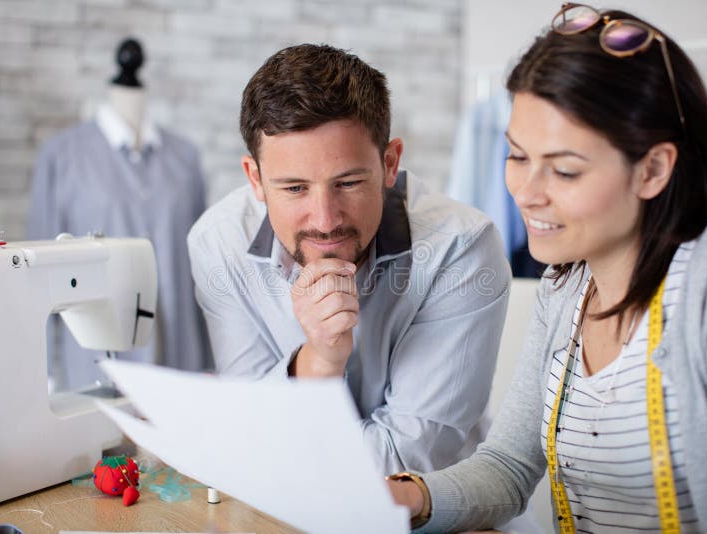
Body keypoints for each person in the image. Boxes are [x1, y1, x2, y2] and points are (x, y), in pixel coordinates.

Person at [388, 4, 707, 532]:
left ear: (653, 169)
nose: (526, 193)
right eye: (517, 156)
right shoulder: (567, 288)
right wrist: (402, 496)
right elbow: (507, 468)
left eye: (564, 170)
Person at [187, 44, 511, 475]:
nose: (325, 221)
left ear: (390, 163)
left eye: (349, 182)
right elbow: (249, 430)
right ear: (255, 179)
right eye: (294, 188)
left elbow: (406, 463)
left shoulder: (462, 250)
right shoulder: (218, 244)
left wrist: (274, 444)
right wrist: (318, 360)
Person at [28, 38, 210, 391]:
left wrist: (213, 361)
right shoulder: (62, 156)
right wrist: (45, 371)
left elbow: (202, 269)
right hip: (97, 361)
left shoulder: (185, 158)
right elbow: (41, 275)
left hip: (179, 361)